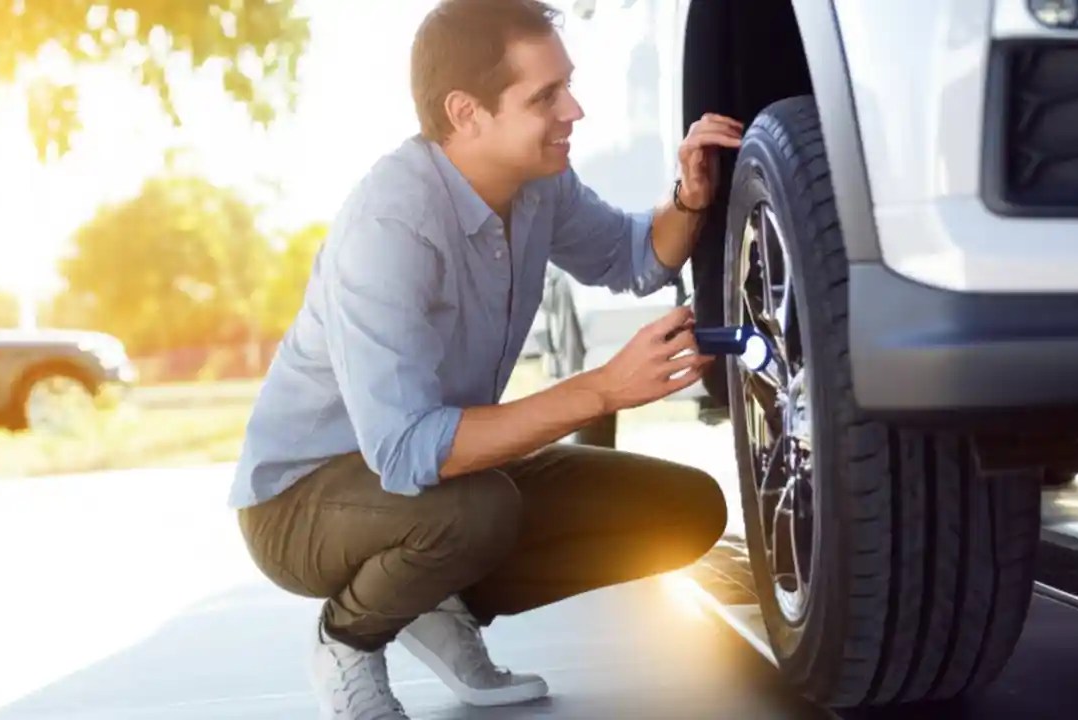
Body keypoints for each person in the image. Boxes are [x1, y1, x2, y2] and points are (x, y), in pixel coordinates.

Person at [230, 0, 742, 716]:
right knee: (478, 512)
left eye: (567, 84)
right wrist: (600, 391)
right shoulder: (389, 228)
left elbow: (630, 256)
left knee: (685, 510)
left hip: (441, 478)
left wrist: (688, 199)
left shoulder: (538, 182)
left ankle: (437, 601)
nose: (576, 109)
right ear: (466, 113)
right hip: (301, 503)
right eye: (546, 96)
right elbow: (405, 450)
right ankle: (348, 638)